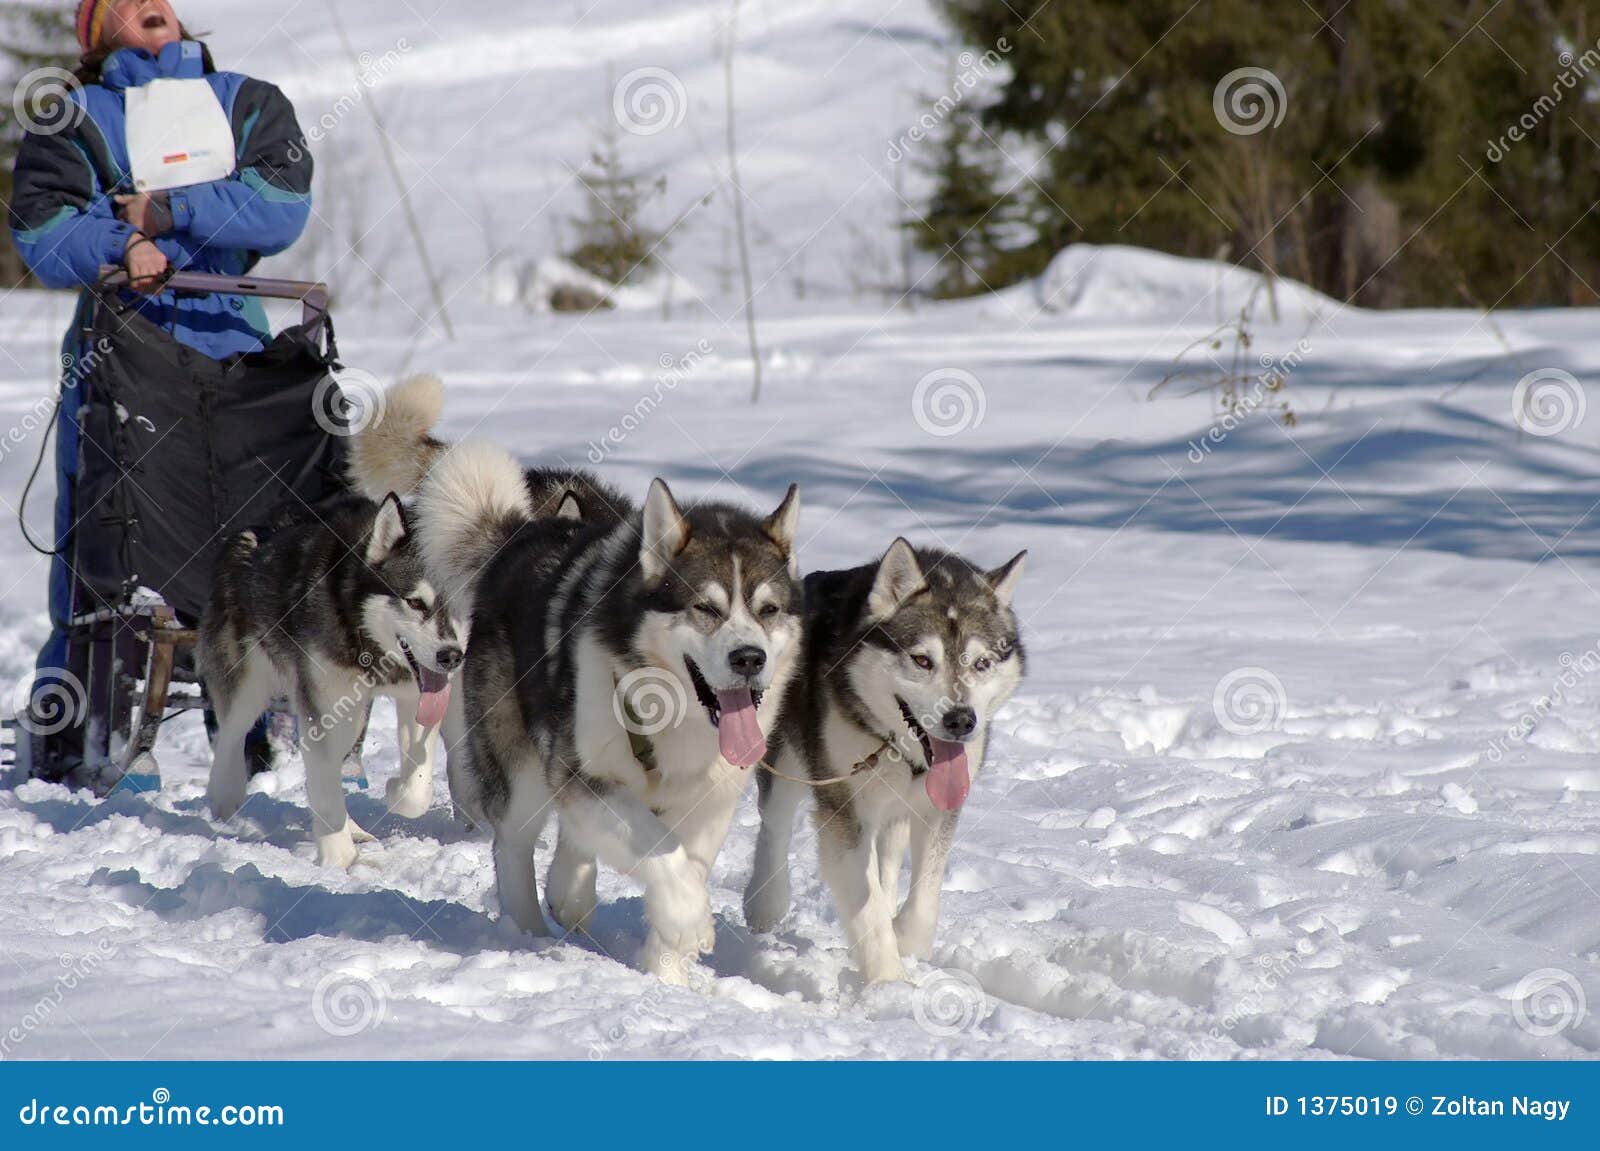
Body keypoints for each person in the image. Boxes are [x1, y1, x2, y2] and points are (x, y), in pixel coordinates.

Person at [8, 0, 313, 775]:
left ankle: (256, 733)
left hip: (235, 348)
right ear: (94, 32)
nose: (149, 3)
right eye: (121, 0)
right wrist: (122, 243)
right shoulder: (76, 116)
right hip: (120, 352)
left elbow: (282, 204)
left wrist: (166, 212)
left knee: (253, 537)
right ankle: (80, 732)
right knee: (108, 541)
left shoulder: (245, 101)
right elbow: (43, 232)